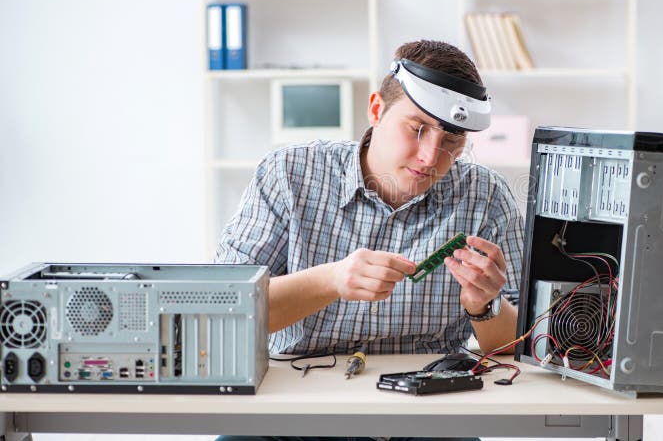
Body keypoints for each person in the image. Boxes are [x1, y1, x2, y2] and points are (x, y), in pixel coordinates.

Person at [214, 40, 524, 441]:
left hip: (428, 414)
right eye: (417, 129)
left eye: (451, 141)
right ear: (376, 109)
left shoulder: (487, 198)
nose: (431, 157)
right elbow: (226, 313)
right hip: (293, 412)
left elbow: (522, 346)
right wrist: (331, 281)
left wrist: (484, 307)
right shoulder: (288, 174)